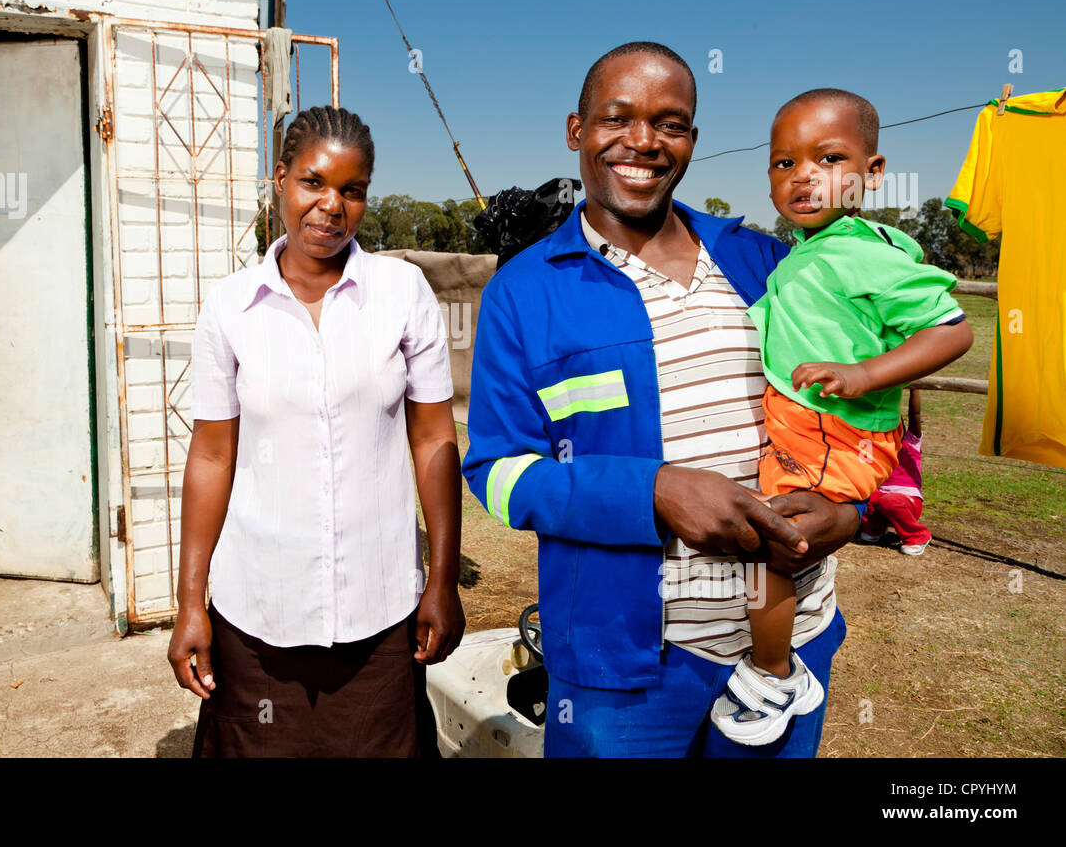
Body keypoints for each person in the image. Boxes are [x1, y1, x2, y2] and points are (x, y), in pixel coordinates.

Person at [463, 42, 864, 758]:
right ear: (575, 130)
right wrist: (652, 492)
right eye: (617, 118)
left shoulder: (765, 261)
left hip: (790, 641)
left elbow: (868, 399)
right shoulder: (525, 293)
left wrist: (850, 510)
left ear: (692, 140)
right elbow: (495, 474)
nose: (643, 142)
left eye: (669, 123)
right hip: (624, 669)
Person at [167, 106, 465, 757]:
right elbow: (213, 455)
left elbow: (435, 441)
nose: (332, 205)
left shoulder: (402, 293)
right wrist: (191, 601)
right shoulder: (230, 307)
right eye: (313, 182)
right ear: (281, 180)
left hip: (379, 619)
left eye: (352, 190)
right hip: (258, 619)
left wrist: (441, 579)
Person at [710, 89, 973, 746]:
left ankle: (773, 674)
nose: (802, 175)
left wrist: (863, 375)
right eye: (783, 162)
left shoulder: (862, 250)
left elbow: (952, 330)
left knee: (774, 539)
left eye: (828, 158)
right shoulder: (806, 249)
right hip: (806, 422)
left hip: (835, 430)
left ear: (872, 172)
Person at [858, 387, 931, 555]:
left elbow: (915, 415)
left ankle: (918, 536)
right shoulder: (876, 444)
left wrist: (914, 389)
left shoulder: (910, 442)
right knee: (866, 497)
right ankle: (875, 528)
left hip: (906, 500)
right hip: (881, 498)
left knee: (889, 501)